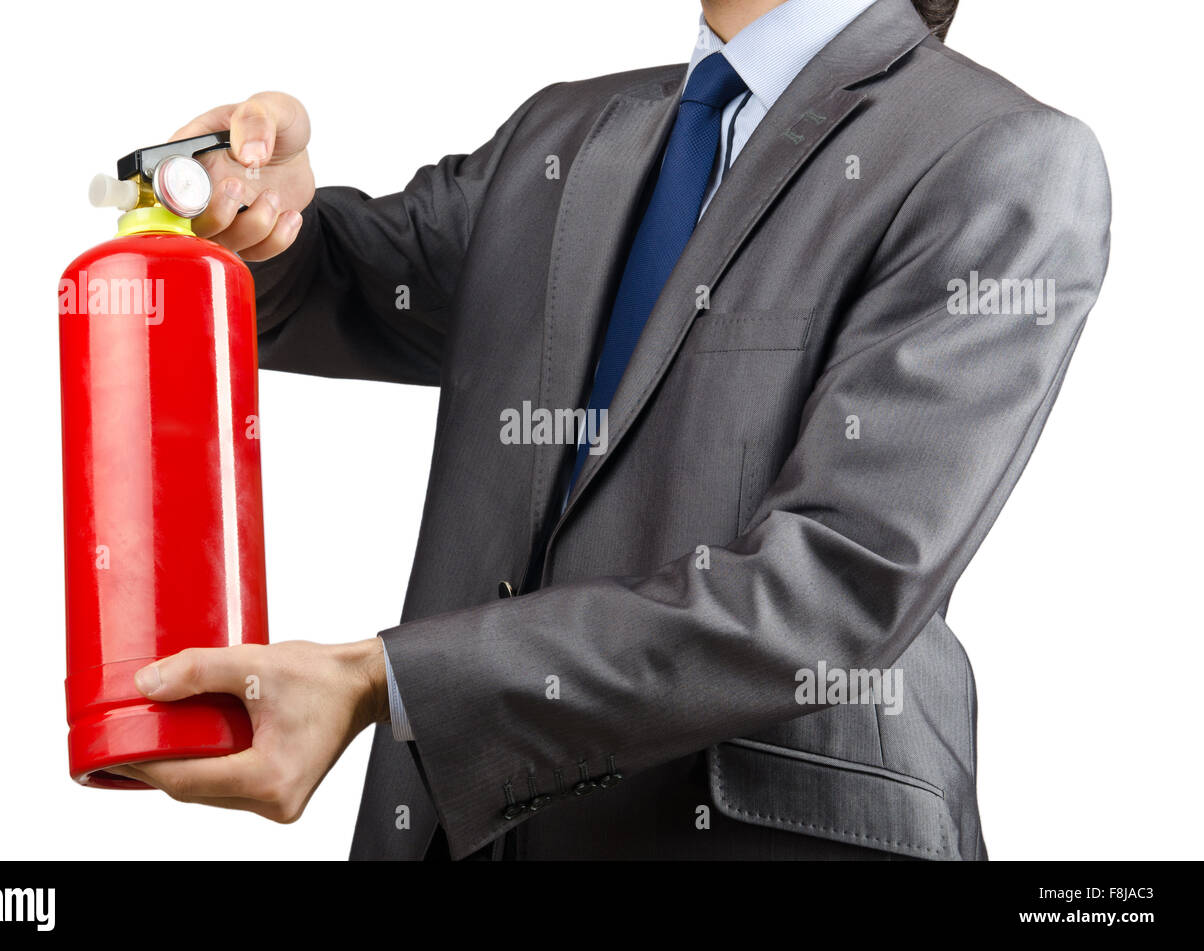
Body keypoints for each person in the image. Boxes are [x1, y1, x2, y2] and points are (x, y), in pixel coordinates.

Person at [112, 0, 1111, 861]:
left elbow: (831, 591)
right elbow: (344, 281)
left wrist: (389, 680)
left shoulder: (993, 152)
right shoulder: (569, 131)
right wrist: (247, 218)